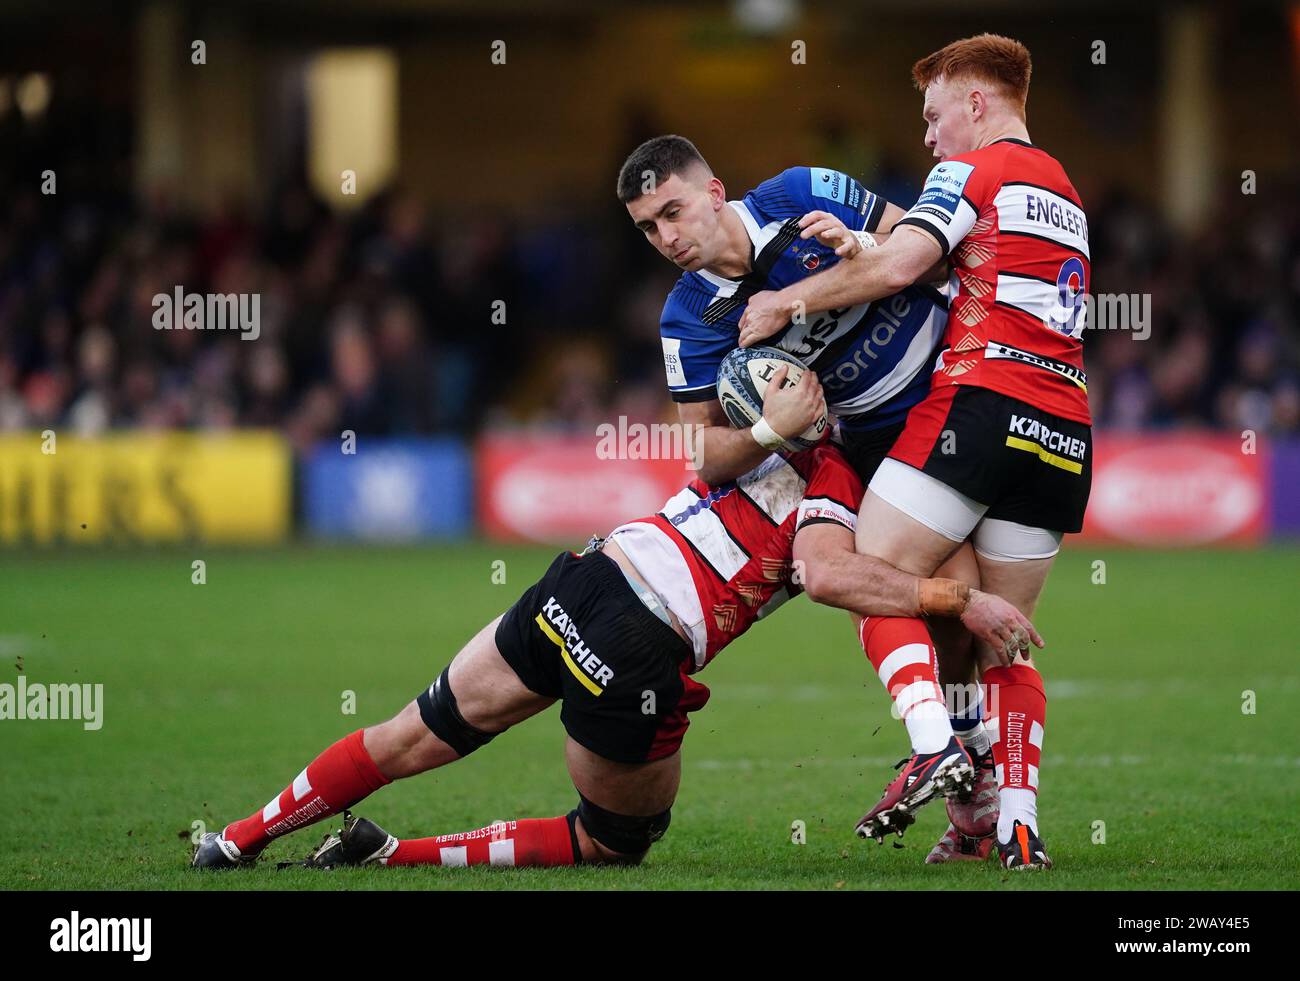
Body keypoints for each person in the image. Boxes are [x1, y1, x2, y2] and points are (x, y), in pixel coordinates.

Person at [192, 378, 1035, 872]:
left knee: (412, 731)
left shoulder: (741, 434)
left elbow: (708, 443)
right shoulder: (845, 477)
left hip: (581, 579)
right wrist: (963, 599)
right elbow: (832, 575)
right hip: (638, 641)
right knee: (615, 840)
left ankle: (237, 840)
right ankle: (392, 854)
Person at [736, 34, 1091, 869]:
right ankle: (1015, 826)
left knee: (873, 574)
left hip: (980, 406)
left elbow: (906, 263)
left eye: (935, 116)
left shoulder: (971, 171)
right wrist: (859, 249)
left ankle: (940, 744)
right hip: (1064, 428)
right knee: (1006, 631)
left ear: (976, 103)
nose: (928, 137)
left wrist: (788, 299)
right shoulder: (1065, 191)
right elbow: (976, 275)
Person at [619, 137, 1006, 861]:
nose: (667, 237)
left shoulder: (799, 193)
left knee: (963, 606)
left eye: (673, 211)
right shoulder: (687, 317)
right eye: (648, 226)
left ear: (713, 192)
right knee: (941, 613)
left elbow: (927, 248)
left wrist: (857, 243)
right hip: (873, 448)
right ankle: (982, 805)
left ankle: (985, 794)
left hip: (960, 389)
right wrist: (770, 428)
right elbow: (703, 458)